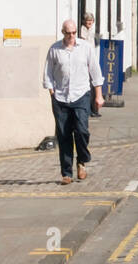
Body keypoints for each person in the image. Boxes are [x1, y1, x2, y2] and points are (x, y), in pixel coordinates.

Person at [43, 19, 104, 183]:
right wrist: (51, 91)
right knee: (63, 135)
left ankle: (82, 161)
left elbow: (95, 71)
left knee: (82, 130)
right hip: (61, 97)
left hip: (81, 94)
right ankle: (66, 173)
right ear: (63, 33)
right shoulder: (55, 49)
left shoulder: (85, 48)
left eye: (74, 32)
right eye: (68, 33)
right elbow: (48, 72)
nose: (71, 36)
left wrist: (98, 95)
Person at [80, 13, 101, 115]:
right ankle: (90, 109)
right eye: (87, 20)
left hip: (91, 60)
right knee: (88, 86)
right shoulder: (82, 30)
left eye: (91, 20)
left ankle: (93, 109)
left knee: (93, 85)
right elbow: (84, 45)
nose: (89, 22)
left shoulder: (90, 30)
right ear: (84, 21)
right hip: (85, 61)